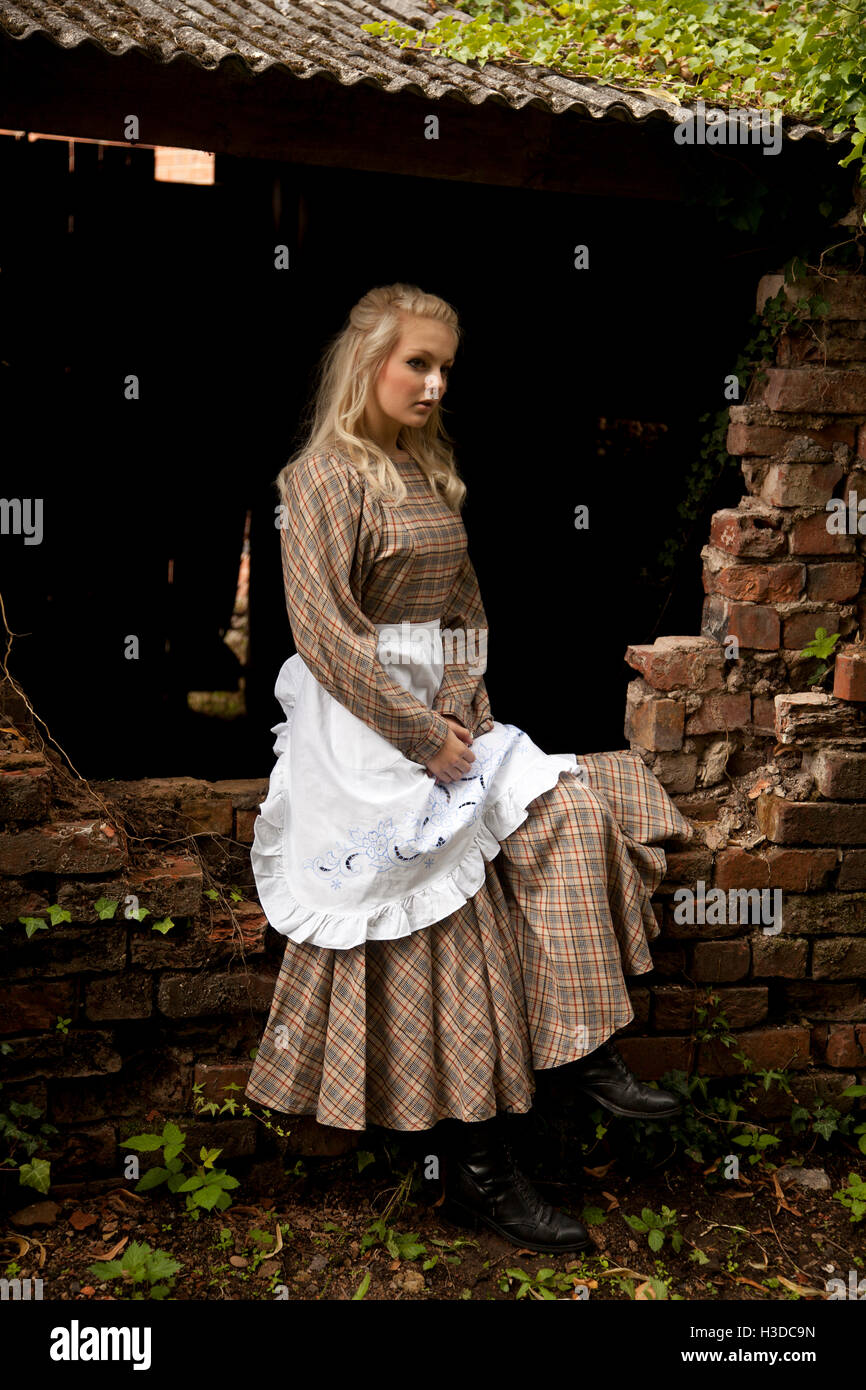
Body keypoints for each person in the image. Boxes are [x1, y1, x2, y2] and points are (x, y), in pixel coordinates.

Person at [245, 282, 695, 1254]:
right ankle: (479, 1175)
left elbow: (464, 608)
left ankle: (582, 1048)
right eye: (417, 361)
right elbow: (320, 632)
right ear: (366, 363)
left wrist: (456, 697)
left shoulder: (426, 469)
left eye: (443, 365)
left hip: (444, 710)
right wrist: (413, 731)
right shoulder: (320, 476)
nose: (434, 381)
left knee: (571, 816)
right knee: (459, 923)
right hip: (357, 722)